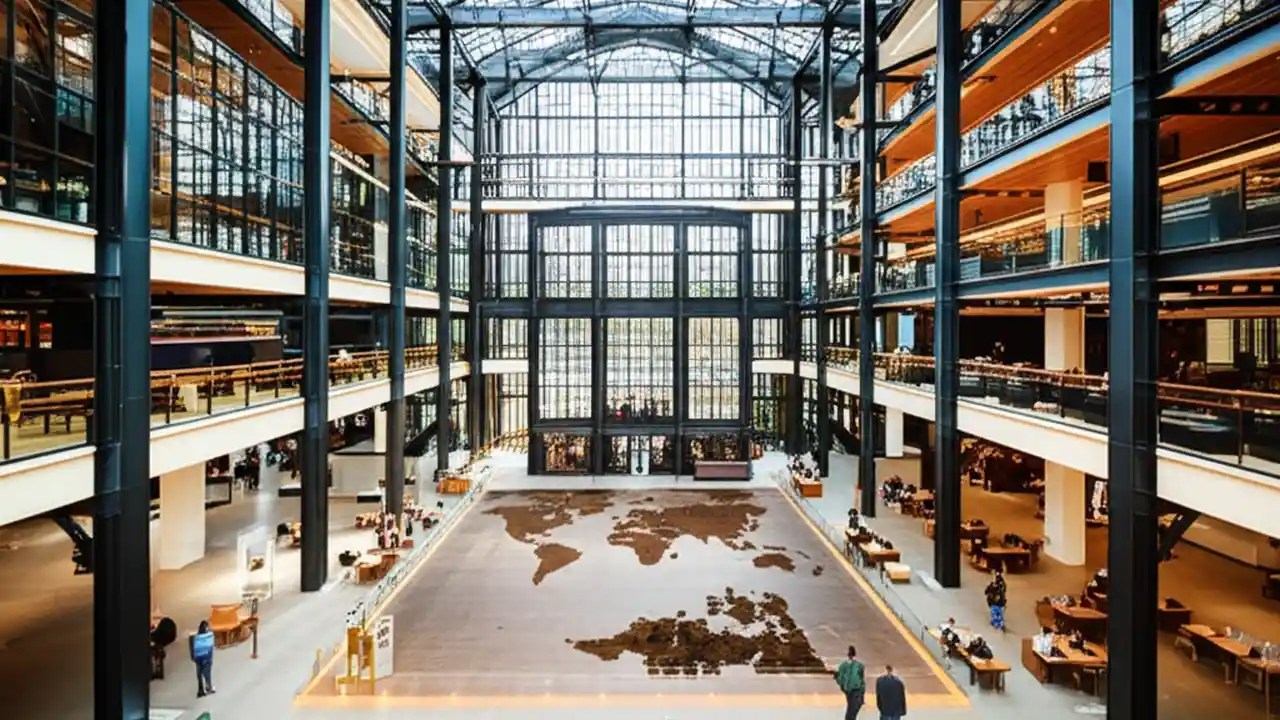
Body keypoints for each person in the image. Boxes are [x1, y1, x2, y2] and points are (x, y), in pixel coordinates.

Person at [834, 645, 866, 719]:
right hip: (856, 690)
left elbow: (839, 678)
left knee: (850, 710)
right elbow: (862, 679)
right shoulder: (859, 665)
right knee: (852, 711)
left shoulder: (843, 666)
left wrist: (843, 686)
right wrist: (862, 693)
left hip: (849, 690)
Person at [189, 620, 216, 697]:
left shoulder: (195, 637)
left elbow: (192, 647)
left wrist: (193, 657)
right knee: (207, 673)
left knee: (199, 674)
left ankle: (200, 689)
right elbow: (210, 648)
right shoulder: (209, 636)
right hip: (206, 658)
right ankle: (209, 687)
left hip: (198, 658)